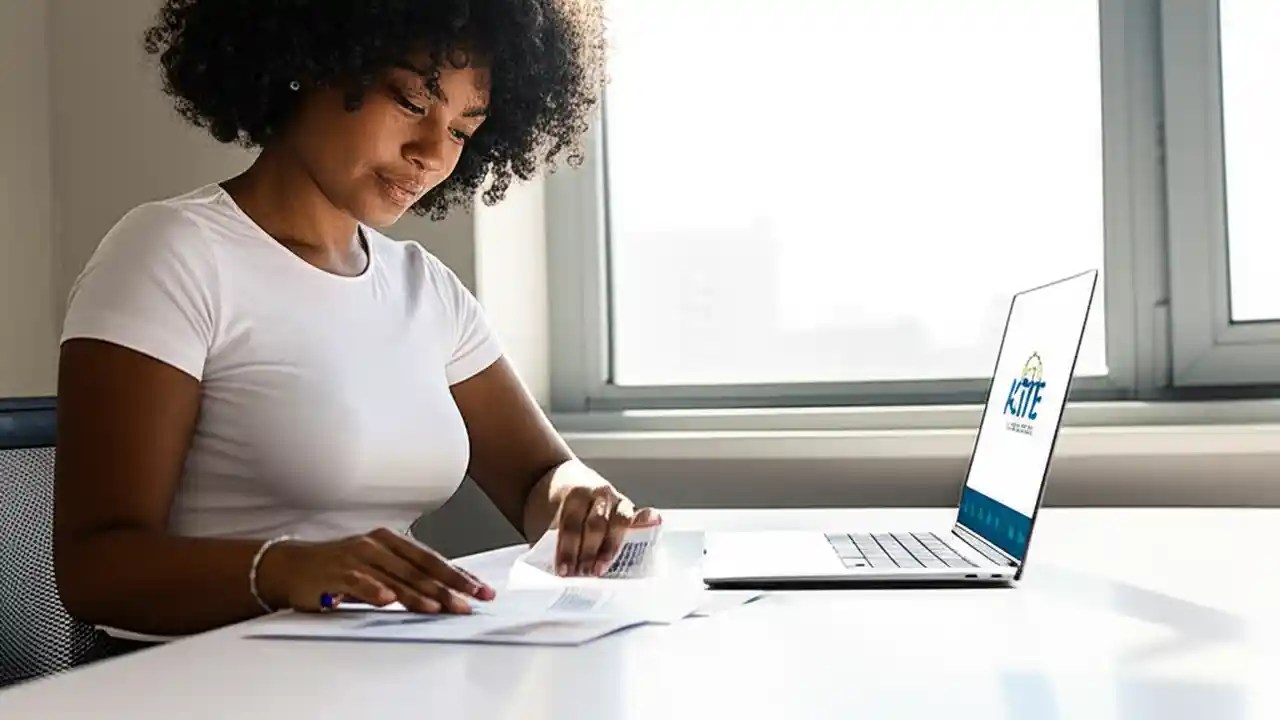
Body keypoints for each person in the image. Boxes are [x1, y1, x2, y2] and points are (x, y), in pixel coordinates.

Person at [52, 0, 656, 640]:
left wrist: (581, 500)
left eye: (460, 131)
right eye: (408, 100)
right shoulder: (172, 253)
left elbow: (539, 476)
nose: (431, 151)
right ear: (309, 63)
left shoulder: (424, 289)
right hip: (205, 684)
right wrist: (284, 570)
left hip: (380, 668)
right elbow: (95, 569)